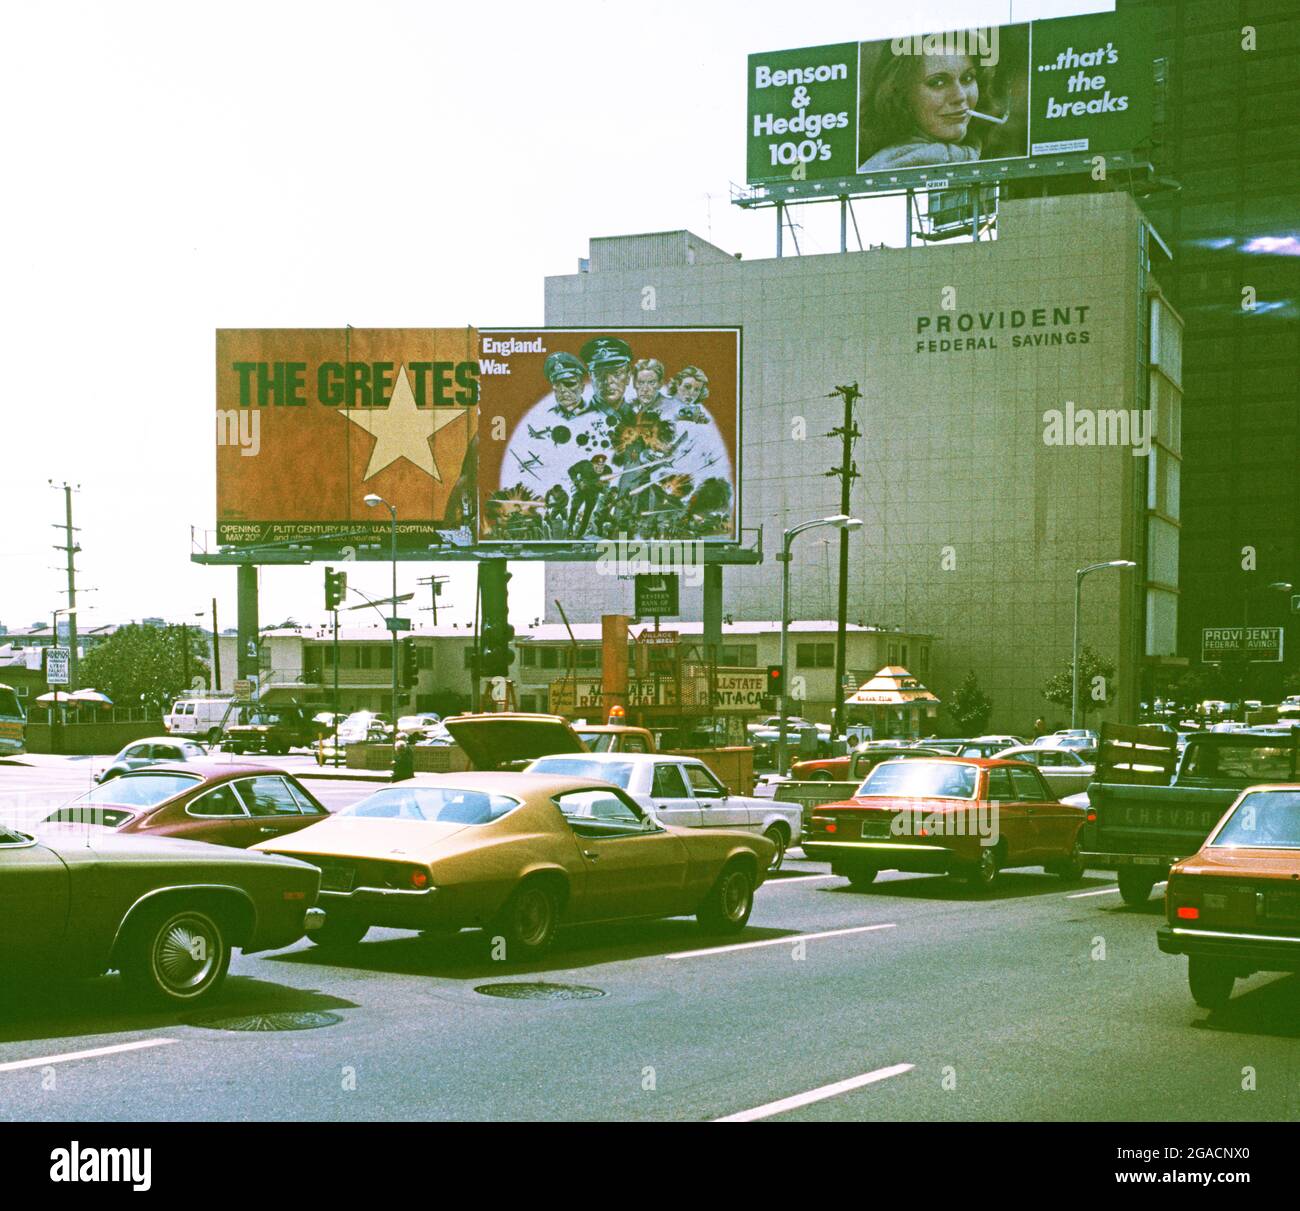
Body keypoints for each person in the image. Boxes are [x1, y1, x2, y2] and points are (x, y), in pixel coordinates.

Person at [858, 49, 1001, 171]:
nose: (960, 96)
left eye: (967, 78)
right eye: (938, 82)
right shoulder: (886, 169)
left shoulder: (977, 150)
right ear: (899, 93)